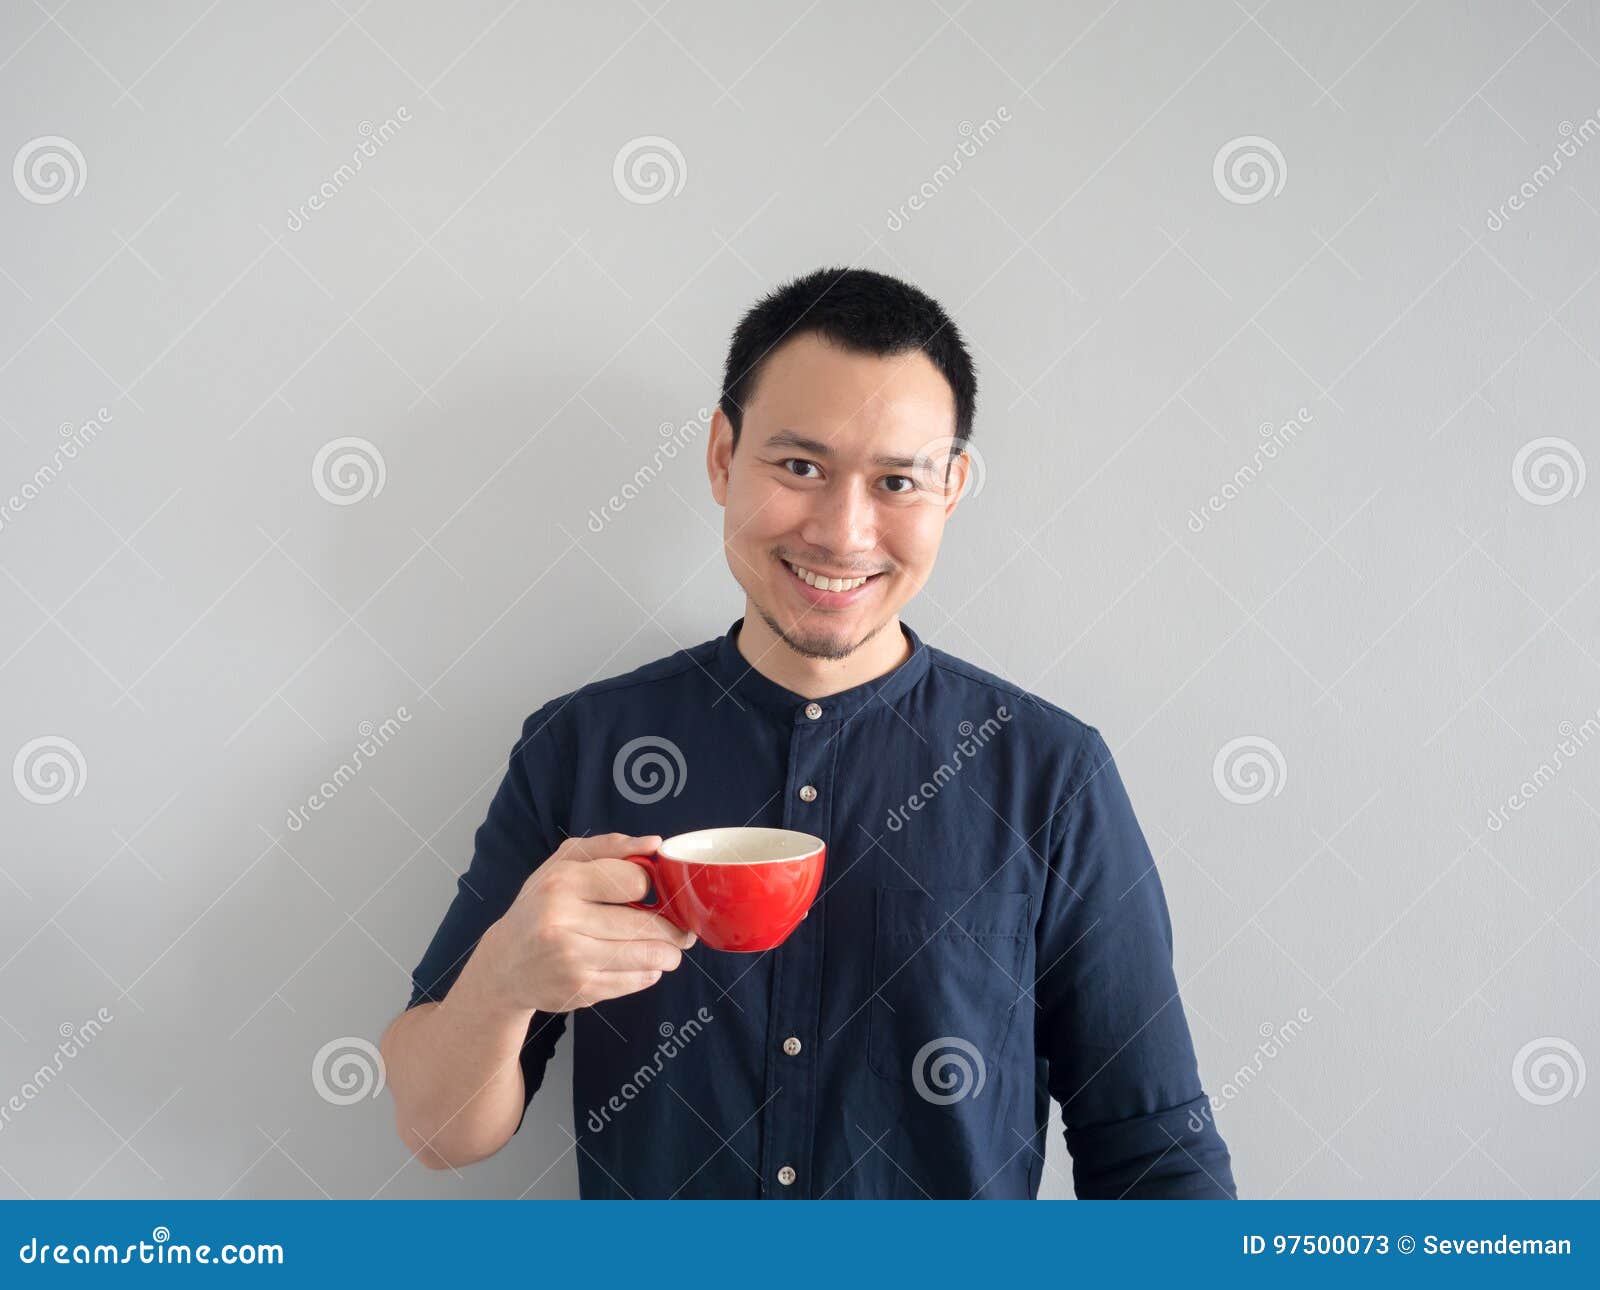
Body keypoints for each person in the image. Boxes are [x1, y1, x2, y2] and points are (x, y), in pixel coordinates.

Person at [379, 266, 1237, 1199]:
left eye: (898, 480)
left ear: (951, 487)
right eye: (799, 467)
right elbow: (436, 1131)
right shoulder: (582, 747)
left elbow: (1155, 1157)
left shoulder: (1050, 774)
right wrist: (503, 982)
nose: (842, 532)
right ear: (721, 456)